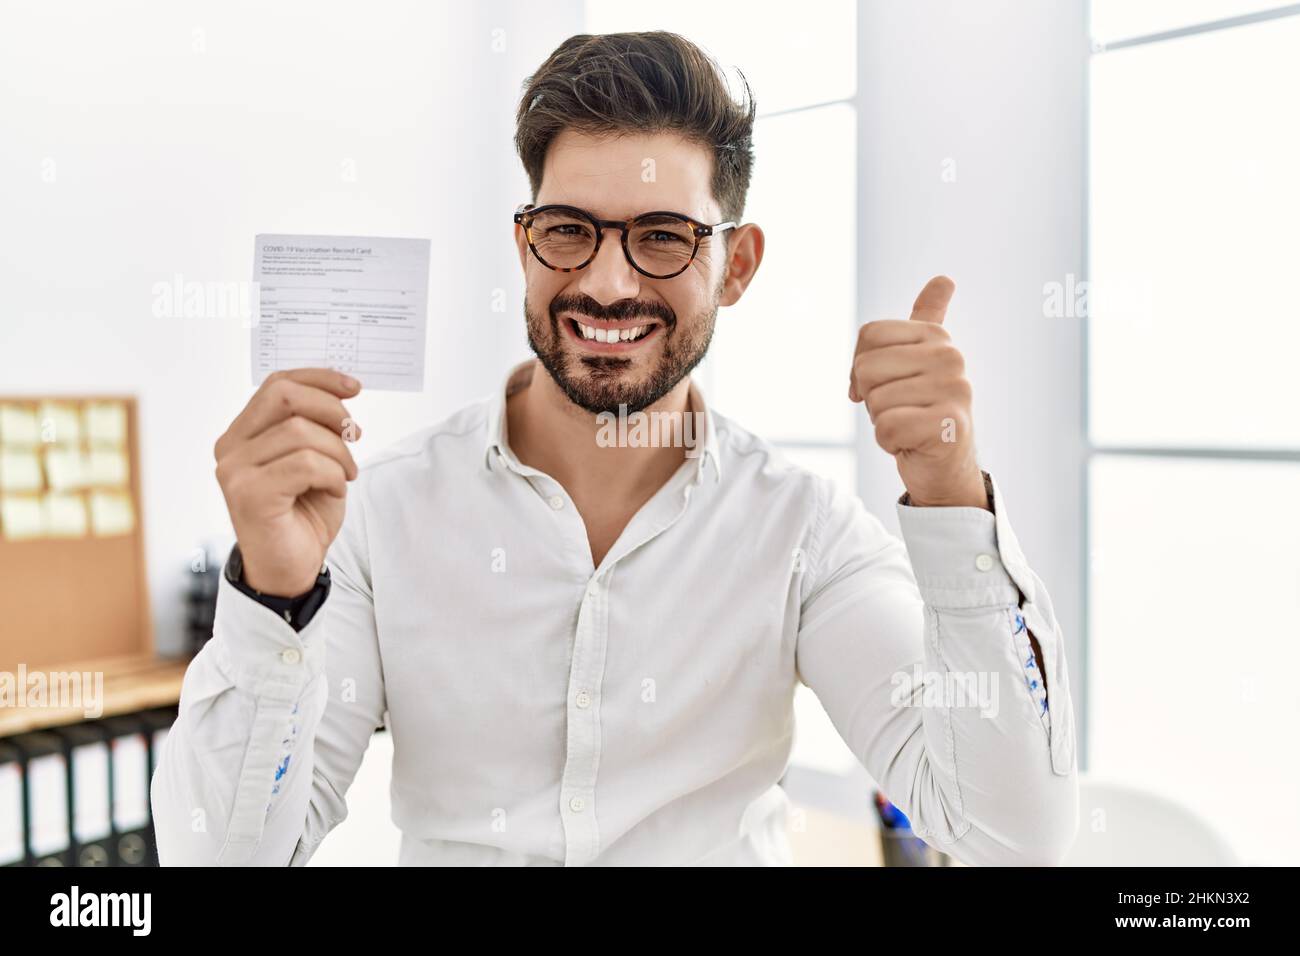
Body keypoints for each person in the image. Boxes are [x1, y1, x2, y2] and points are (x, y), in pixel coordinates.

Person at [152, 31, 1077, 866]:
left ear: (737, 264)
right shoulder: (377, 515)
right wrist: (272, 593)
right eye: (568, 232)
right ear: (526, 246)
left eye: (662, 238)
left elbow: (1008, 833)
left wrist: (953, 498)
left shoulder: (805, 530)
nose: (605, 282)